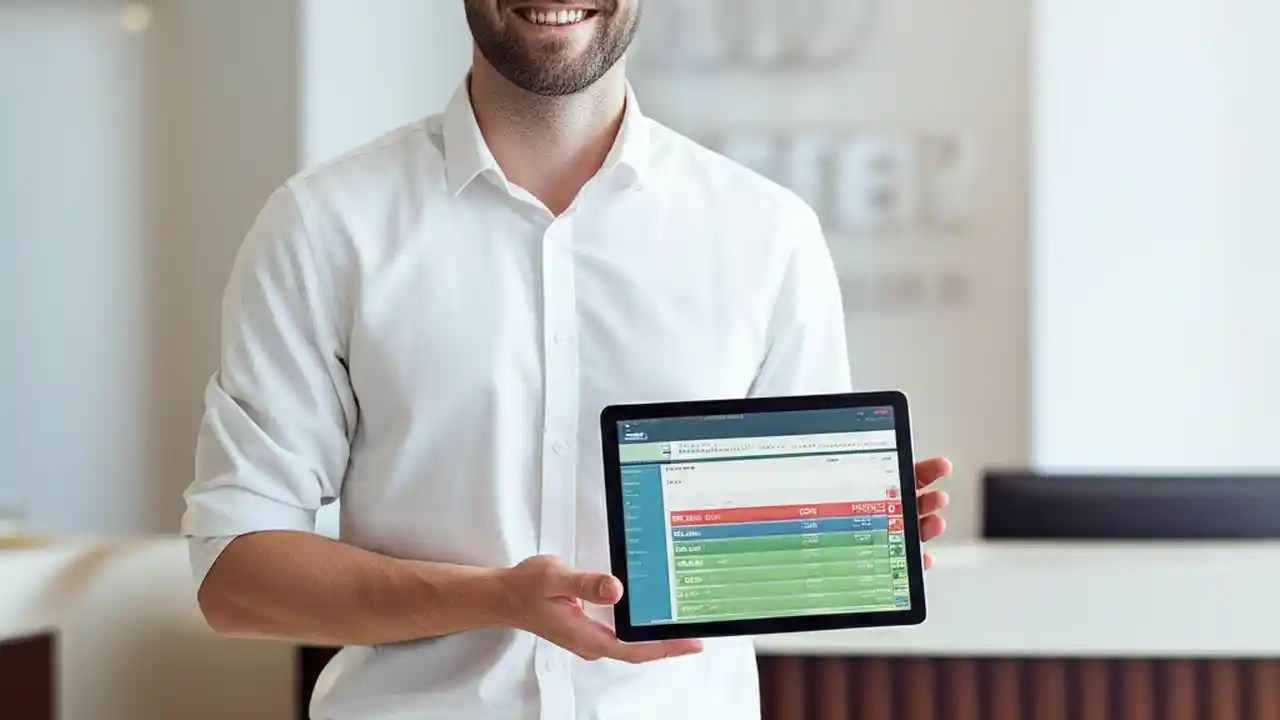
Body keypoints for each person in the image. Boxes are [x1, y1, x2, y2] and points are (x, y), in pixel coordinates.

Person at [182, 1, 952, 718]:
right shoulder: (325, 226)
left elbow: (783, 560)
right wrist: (494, 598)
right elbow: (235, 580)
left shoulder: (768, 234)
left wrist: (853, 530)